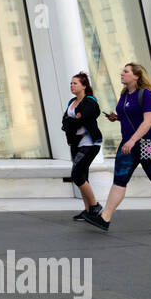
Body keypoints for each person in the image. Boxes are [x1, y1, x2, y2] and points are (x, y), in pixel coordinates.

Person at [84, 62, 151, 234]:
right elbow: (133, 116)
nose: (121, 73)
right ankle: (105, 218)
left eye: (126, 71)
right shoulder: (125, 94)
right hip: (128, 144)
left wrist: (133, 140)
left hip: (148, 144)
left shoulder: (147, 94)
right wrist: (117, 118)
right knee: (119, 179)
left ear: (136, 76)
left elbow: (148, 121)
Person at [63, 72, 102, 221]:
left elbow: (83, 118)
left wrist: (73, 121)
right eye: (71, 83)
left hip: (90, 143)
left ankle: (94, 206)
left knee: (77, 175)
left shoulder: (90, 101)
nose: (72, 86)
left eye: (75, 83)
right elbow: (65, 121)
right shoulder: (71, 102)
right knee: (83, 175)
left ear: (84, 86)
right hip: (75, 143)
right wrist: (73, 120)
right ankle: (87, 210)